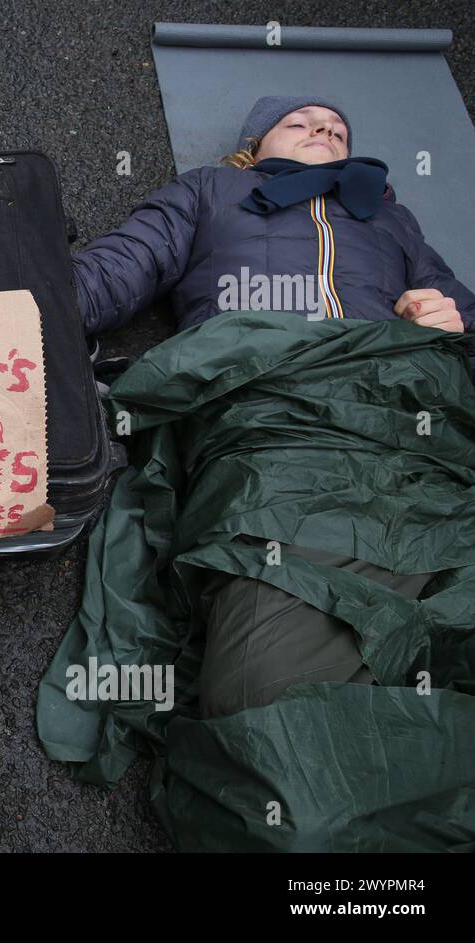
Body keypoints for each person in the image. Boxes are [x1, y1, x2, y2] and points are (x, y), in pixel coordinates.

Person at [72, 96, 475, 718]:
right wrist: (15, 308)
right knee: (263, 697)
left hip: (406, 404)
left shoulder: (393, 222)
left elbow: (462, 317)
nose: (323, 131)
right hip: (271, 405)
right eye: (300, 123)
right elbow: (120, 267)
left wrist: (449, 326)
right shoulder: (212, 191)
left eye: (338, 130)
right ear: (254, 147)